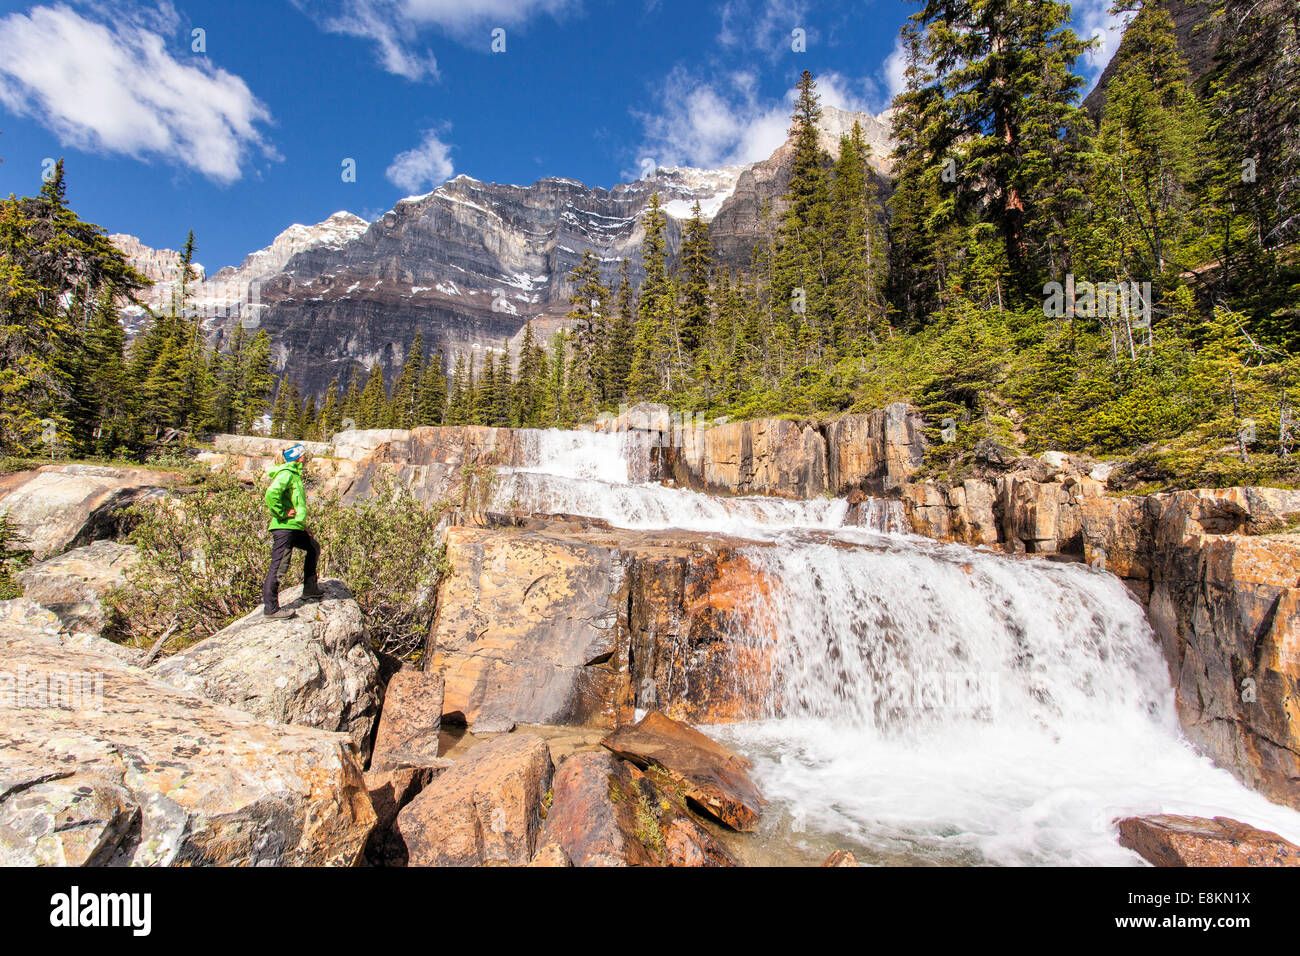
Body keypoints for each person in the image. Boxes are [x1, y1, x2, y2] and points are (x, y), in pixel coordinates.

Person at [262, 443, 323, 618]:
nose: (305, 458)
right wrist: (282, 513)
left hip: (294, 526)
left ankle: (310, 588)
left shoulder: (294, 474)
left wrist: (303, 525)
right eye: (303, 455)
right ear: (296, 457)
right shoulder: (286, 474)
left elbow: (295, 503)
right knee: (279, 565)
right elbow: (271, 494)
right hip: (284, 528)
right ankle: (271, 609)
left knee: (313, 547)